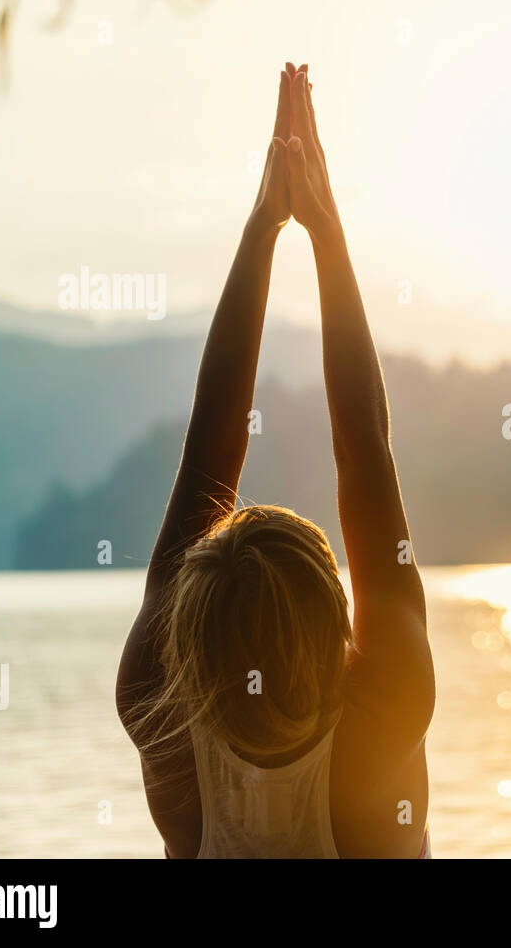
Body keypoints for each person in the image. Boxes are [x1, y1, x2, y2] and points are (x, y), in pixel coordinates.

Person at [115, 63, 434, 858]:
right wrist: (321, 230)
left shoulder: (164, 724)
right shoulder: (381, 726)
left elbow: (207, 457)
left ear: (191, 642)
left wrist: (263, 228)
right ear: (336, 622)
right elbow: (364, 449)